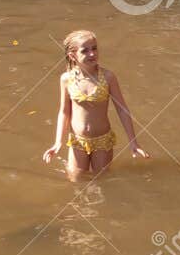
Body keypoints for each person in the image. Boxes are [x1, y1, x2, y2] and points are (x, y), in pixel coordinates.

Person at [42, 29, 147, 177]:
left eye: (94, 48)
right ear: (73, 56)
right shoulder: (66, 79)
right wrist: (58, 142)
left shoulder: (108, 77)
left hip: (102, 141)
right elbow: (64, 111)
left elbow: (122, 110)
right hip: (78, 141)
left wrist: (133, 142)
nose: (92, 53)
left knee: (101, 178)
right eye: (85, 51)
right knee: (75, 177)